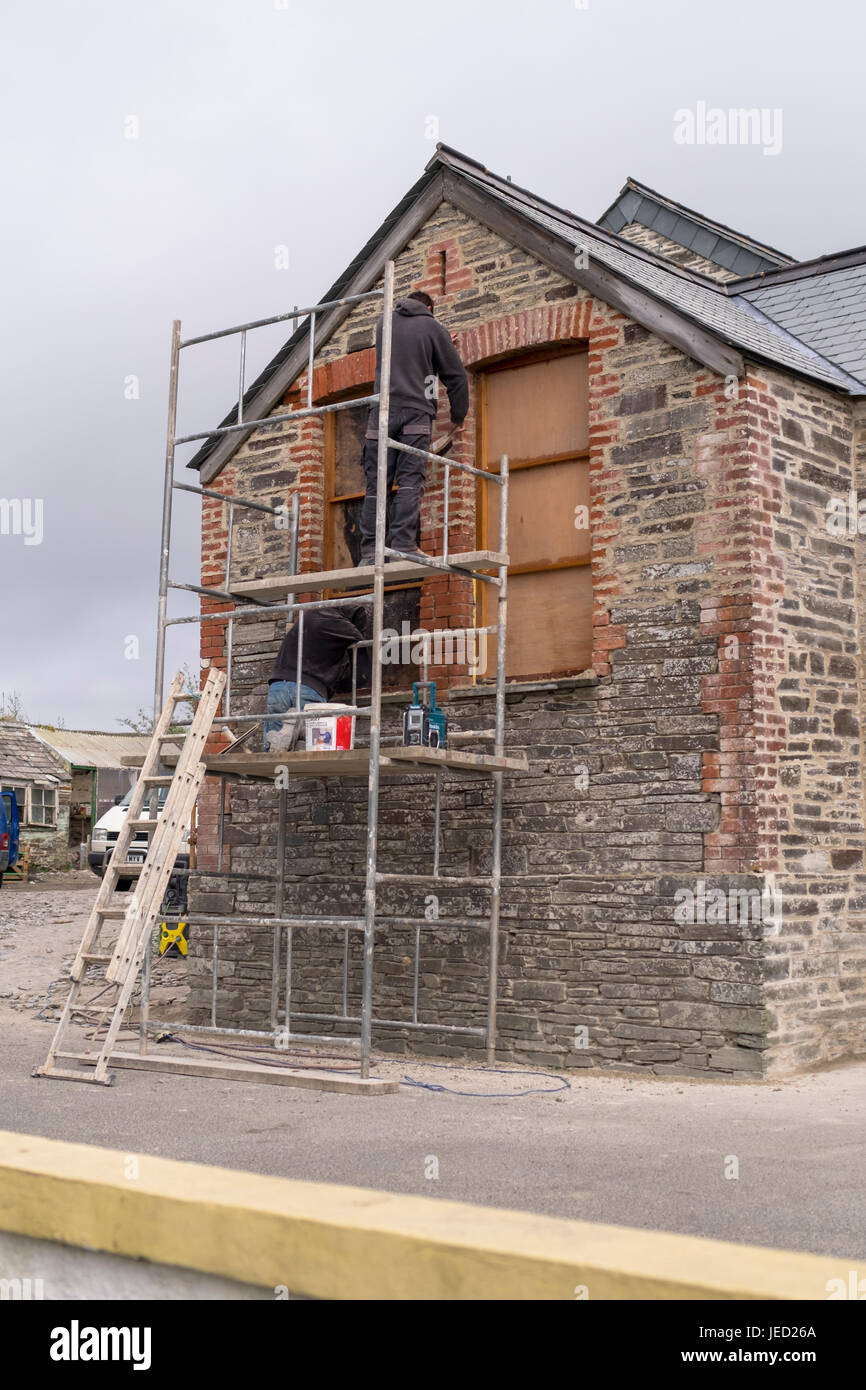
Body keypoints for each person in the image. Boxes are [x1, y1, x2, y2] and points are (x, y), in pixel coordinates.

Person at [358, 291, 469, 564]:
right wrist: (458, 417)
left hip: (380, 414)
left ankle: (371, 551)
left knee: (376, 485)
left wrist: (436, 347)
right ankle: (403, 545)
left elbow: (405, 358)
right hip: (415, 414)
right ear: (429, 307)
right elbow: (455, 377)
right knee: (409, 481)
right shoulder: (432, 326)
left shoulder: (384, 323)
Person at [264, 604, 367, 752]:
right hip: (308, 689)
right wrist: (339, 686)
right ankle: (298, 738)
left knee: (274, 754)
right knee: (310, 753)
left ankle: (289, 732)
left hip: (277, 687)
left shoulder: (307, 616)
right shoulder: (341, 624)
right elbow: (362, 673)